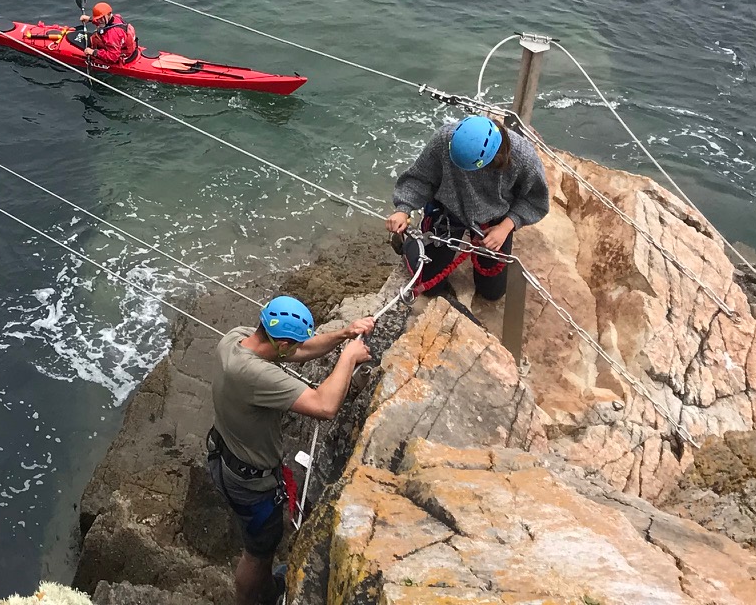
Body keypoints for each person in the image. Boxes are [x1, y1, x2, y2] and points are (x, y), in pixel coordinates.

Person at [209, 296, 376, 605]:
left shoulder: (237, 338)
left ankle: (269, 590)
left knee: (256, 545)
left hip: (223, 455)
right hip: (251, 484)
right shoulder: (253, 374)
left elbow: (299, 350)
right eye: (292, 343)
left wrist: (343, 335)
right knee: (258, 553)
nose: (297, 348)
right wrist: (348, 358)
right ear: (282, 341)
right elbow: (324, 406)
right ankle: (251, 598)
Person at [386, 114, 548, 312]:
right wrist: (403, 209)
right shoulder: (444, 141)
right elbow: (421, 178)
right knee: (430, 286)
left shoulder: (523, 158)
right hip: (449, 210)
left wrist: (506, 227)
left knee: (492, 292)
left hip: (494, 219)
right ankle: (411, 241)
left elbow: (535, 199)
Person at [72, 1, 139, 65]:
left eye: (101, 18)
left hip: (120, 55)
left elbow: (113, 57)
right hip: (126, 48)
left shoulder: (113, 34)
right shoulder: (116, 17)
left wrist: (93, 52)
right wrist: (90, 19)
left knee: (97, 38)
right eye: (97, 18)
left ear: (109, 14)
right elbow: (104, 23)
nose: (98, 20)